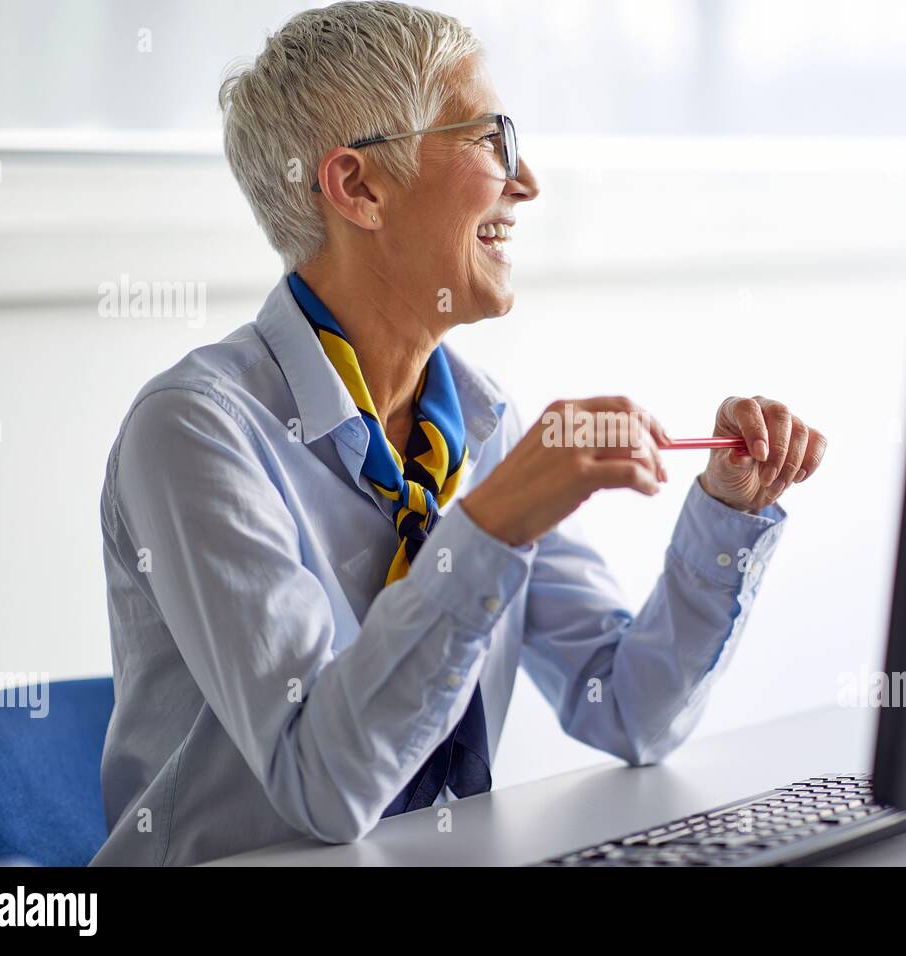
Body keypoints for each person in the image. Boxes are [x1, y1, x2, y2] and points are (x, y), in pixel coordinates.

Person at [93, 0, 825, 866]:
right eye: (491, 139)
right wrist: (494, 525)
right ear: (359, 187)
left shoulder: (481, 425)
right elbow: (319, 787)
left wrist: (726, 517)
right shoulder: (195, 432)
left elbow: (630, 709)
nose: (527, 183)